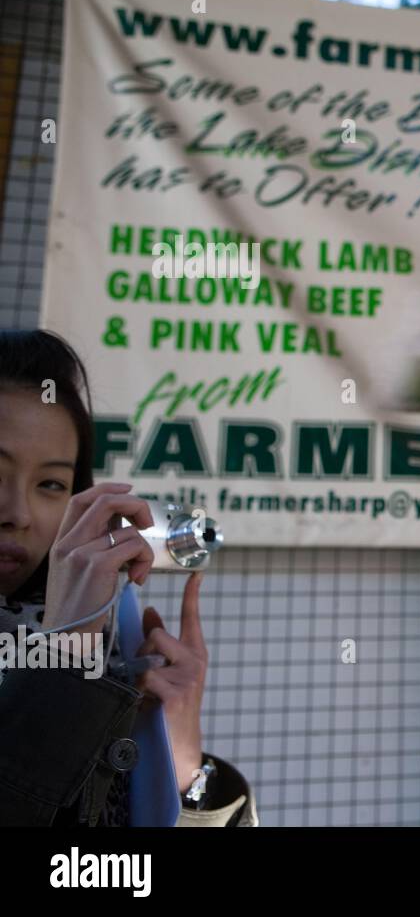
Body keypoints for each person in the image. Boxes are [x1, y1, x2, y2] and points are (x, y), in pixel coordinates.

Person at [0, 329, 256, 826]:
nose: (18, 513)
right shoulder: (79, 641)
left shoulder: (114, 638)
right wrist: (62, 658)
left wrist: (178, 758)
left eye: (52, 483)